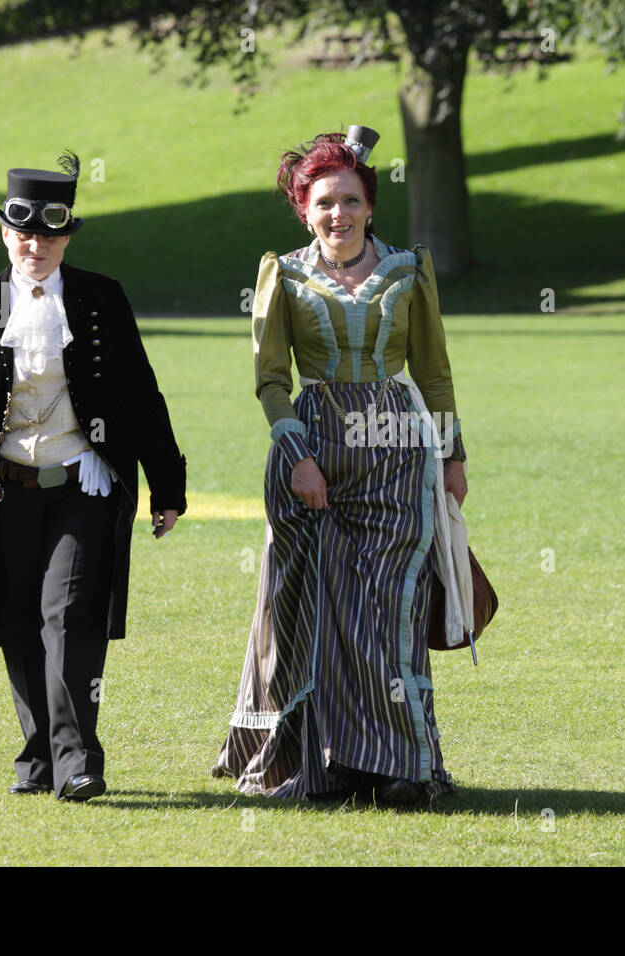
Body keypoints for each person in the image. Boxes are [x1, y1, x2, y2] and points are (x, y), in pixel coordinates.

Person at [0, 152, 186, 802]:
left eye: (49, 234)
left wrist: (167, 485)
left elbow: (142, 394)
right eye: (22, 233)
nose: (35, 245)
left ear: (66, 236)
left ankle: (77, 759)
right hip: (0, 489)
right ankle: (37, 756)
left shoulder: (100, 299)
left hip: (84, 484)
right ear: (5, 234)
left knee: (69, 613)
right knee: (17, 620)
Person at [212, 126, 468, 805]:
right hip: (313, 457)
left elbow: (434, 373)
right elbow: (270, 382)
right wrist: (298, 458)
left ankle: (404, 765)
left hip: (399, 457)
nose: (338, 214)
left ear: (370, 205)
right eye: (324, 202)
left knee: (391, 611)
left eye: (350, 201)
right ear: (304, 209)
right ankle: (332, 764)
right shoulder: (284, 273)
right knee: (318, 614)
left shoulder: (411, 270)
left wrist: (453, 455)